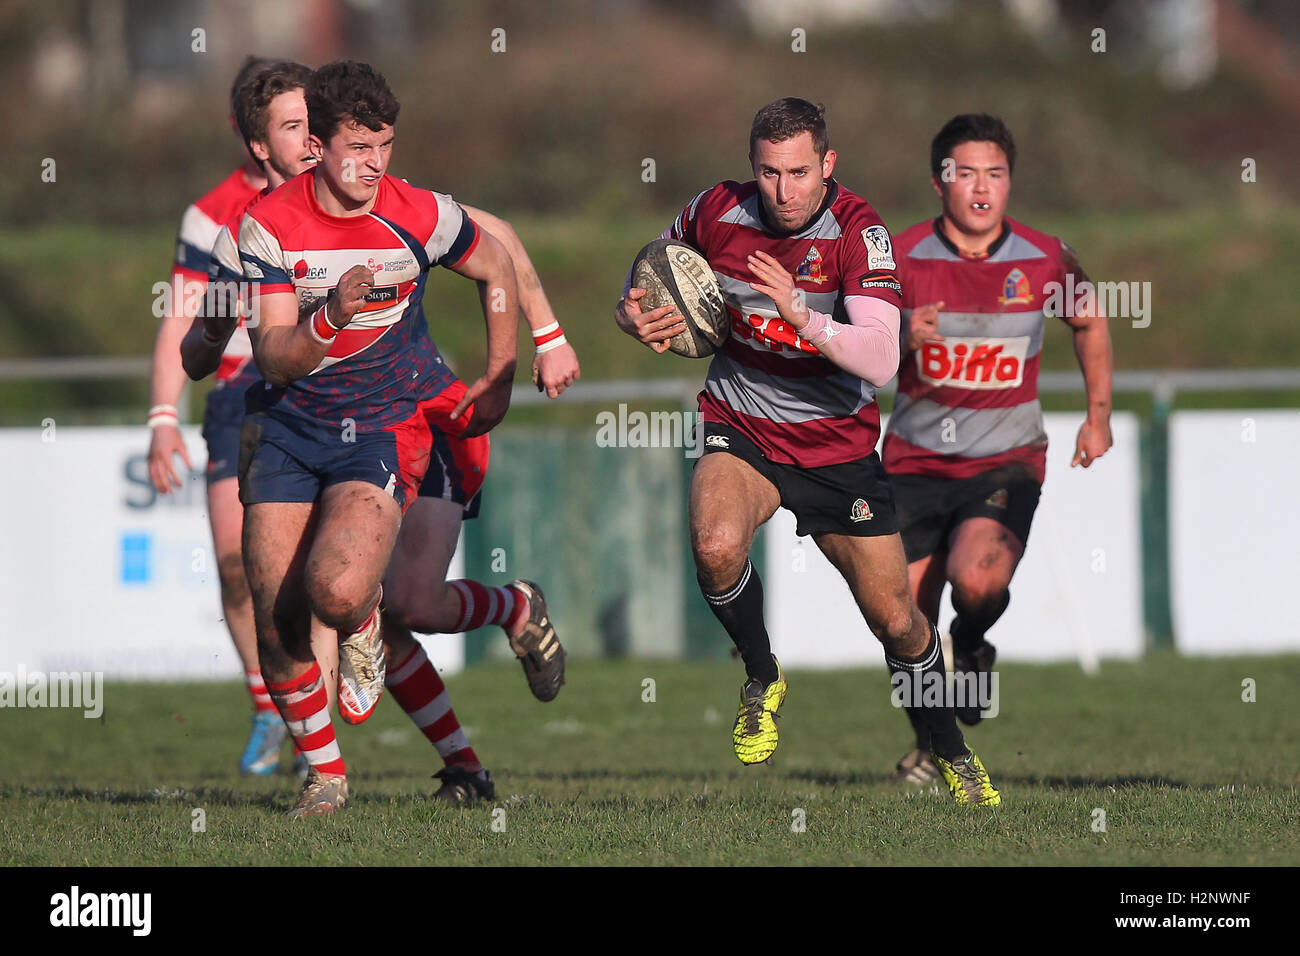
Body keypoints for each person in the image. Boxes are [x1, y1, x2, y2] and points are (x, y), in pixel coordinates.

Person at [615, 97, 1000, 806]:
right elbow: (647, 281)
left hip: (836, 449)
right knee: (714, 542)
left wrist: (803, 315)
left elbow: (881, 357)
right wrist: (635, 316)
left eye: (798, 173)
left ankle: (952, 753)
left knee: (898, 621)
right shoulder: (713, 211)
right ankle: (762, 676)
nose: (783, 192)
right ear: (751, 167)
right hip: (744, 423)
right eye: (768, 173)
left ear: (827, 165)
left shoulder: (860, 232)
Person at [236, 60, 520, 816]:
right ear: (318, 146)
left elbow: (498, 265)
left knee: (340, 588)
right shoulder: (266, 223)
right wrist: (328, 317)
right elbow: (271, 356)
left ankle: (362, 620)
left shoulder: (415, 212)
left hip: (382, 428)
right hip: (287, 428)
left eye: (385, 145)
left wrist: (503, 370)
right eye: (356, 147)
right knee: (277, 615)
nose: (372, 164)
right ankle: (327, 778)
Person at [883, 113, 1113, 784]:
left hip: (1005, 460)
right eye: (965, 175)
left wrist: (1098, 417)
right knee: (904, 623)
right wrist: (897, 333)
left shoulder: (1043, 258)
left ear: (1010, 181)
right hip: (912, 464)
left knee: (977, 579)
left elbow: (1091, 317)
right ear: (938, 183)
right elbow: (845, 343)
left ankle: (974, 642)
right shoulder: (898, 258)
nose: (982, 189)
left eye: (996, 174)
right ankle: (933, 744)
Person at [146, 55, 299, 777]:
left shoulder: (338, 195)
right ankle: (270, 709)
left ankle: (315, 727)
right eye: (283, 123)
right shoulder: (212, 215)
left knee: (319, 576)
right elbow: (184, 315)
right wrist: (161, 418)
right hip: (239, 390)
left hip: (321, 388)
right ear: (251, 136)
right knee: (238, 567)